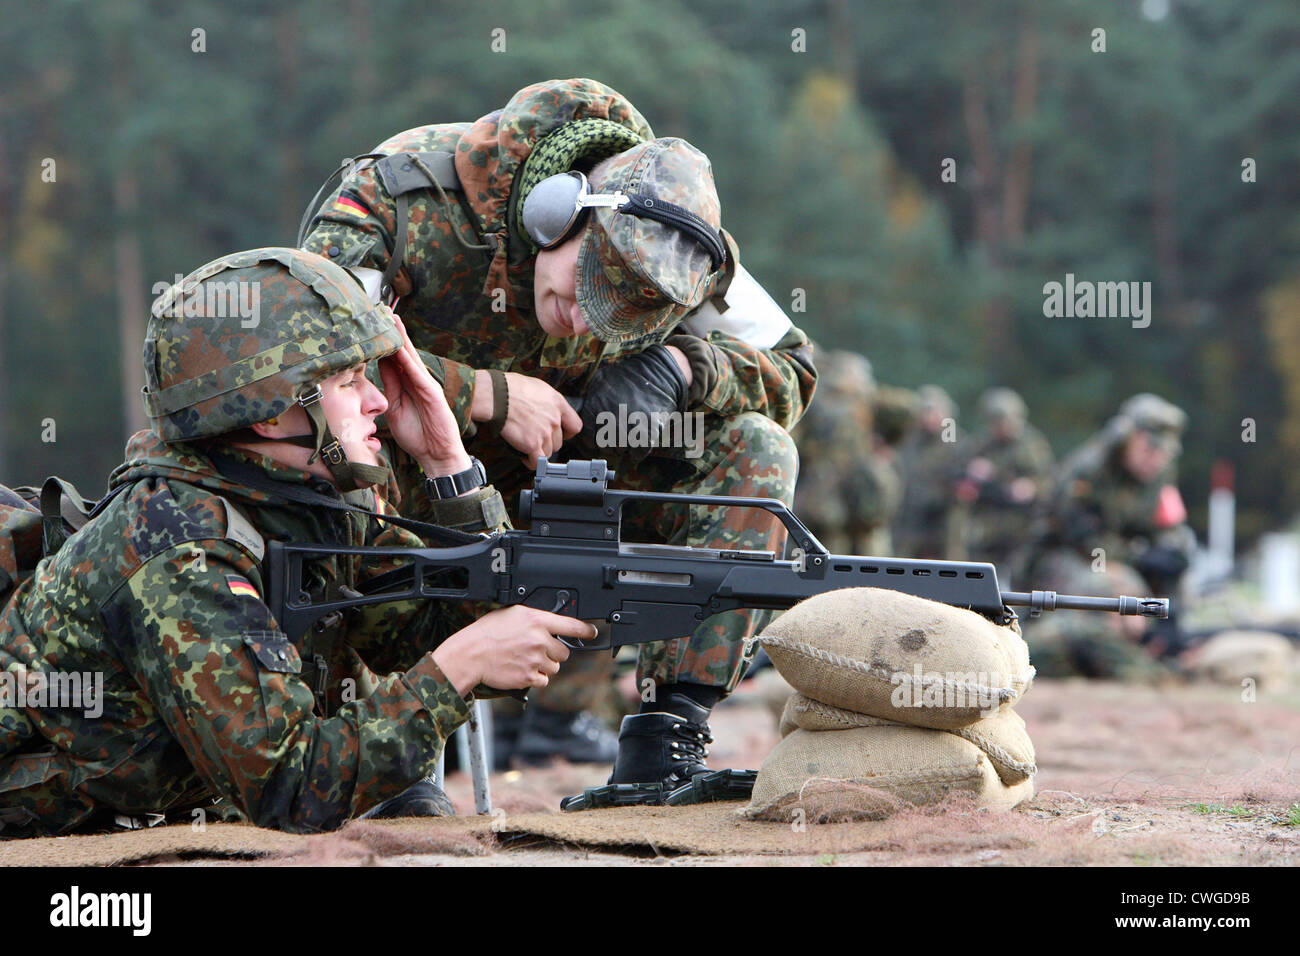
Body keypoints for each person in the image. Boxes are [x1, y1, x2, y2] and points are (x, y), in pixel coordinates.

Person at [300, 78, 815, 805]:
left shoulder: (680, 241)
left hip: (568, 485)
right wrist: (486, 394)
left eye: (622, 314)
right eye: (588, 285)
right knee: (340, 454)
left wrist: (680, 365)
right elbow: (313, 358)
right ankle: (389, 756)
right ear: (555, 213)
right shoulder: (398, 199)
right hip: (410, 487)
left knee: (757, 445)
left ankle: (668, 736)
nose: (584, 320)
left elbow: (795, 365)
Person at [0, 248, 594, 837]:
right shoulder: (176, 546)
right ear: (271, 412)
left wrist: (447, 464)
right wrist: (458, 667)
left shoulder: (308, 501)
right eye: (349, 380)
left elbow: (468, 639)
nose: (379, 402)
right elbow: (292, 787)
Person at [1021, 393, 1193, 679]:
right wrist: (1139, 559)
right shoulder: (1089, 473)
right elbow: (1088, 545)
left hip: (1119, 557)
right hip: (1060, 560)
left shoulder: (1159, 475)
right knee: (1109, 587)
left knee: (1170, 568)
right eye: (1150, 449)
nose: (1157, 460)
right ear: (1128, 439)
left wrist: (1171, 558)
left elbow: (1167, 528)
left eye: (1165, 453)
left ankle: (1163, 642)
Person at [791, 351, 900, 556]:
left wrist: (886, 445)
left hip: (861, 488)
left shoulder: (869, 402)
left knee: (871, 548)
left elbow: (905, 411)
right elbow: (796, 441)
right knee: (829, 546)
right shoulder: (817, 400)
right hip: (825, 488)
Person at [950, 387, 1054, 575]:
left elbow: (1048, 481)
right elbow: (957, 477)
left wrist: (1032, 487)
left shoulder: (1032, 445)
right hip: (986, 525)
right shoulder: (979, 444)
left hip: (1021, 526)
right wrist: (971, 474)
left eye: (1006, 420)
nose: (1002, 426)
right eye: (996, 421)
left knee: (1021, 576)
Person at [893, 385, 962, 558]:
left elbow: (958, 467)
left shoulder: (951, 437)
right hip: (910, 520)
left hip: (943, 523)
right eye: (924, 412)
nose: (929, 418)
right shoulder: (909, 439)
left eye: (935, 412)